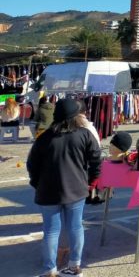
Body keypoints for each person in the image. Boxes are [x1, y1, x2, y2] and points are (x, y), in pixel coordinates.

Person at [27, 98, 101, 277]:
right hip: (76, 189)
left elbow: (32, 165)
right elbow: (96, 161)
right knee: (76, 227)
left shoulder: (44, 138)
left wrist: (37, 184)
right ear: (75, 116)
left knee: (51, 231)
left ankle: (49, 270)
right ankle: (74, 267)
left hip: (48, 191)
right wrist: (90, 182)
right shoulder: (84, 134)